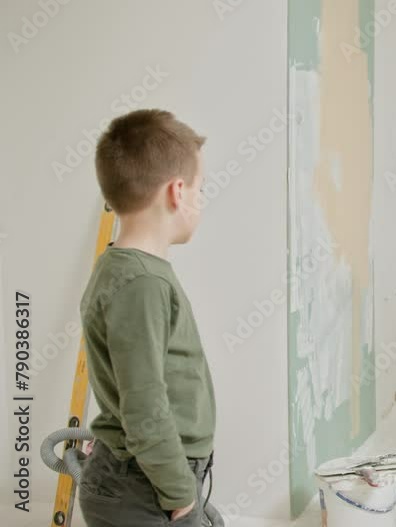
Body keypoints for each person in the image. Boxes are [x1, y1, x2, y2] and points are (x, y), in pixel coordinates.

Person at [78, 109, 218, 526]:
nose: (200, 198)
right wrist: (180, 497)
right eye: (200, 189)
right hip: (143, 486)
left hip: (147, 475)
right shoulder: (141, 283)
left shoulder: (130, 270)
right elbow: (143, 406)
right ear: (177, 192)